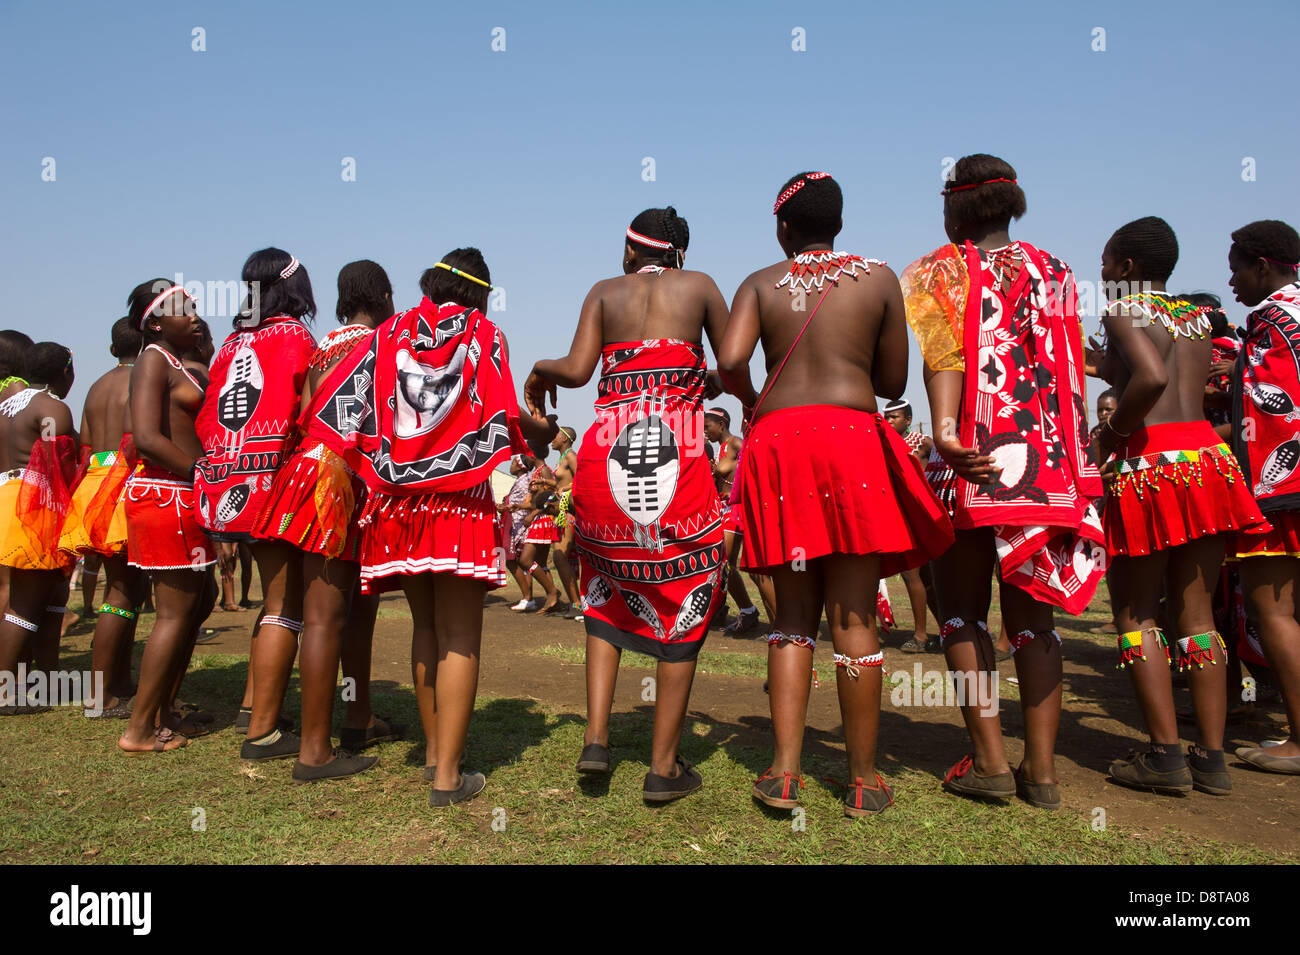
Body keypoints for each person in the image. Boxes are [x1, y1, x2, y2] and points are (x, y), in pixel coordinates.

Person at [720, 172, 953, 817]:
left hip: (782, 442)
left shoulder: (760, 282)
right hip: (851, 438)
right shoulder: (878, 279)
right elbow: (892, 378)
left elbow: (733, 361)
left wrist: (750, 399)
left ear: (784, 229)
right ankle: (863, 779)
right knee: (855, 616)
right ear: (839, 224)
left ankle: (784, 772)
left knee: (792, 617)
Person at [307, 247, 550, 806]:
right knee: (460, 636)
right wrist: (537, 440)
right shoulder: (485, 335)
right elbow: (502, 418)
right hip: (458, 504)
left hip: (395, 507)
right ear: (479, 293)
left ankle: (436, 756)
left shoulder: (387, 335)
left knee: (425, 629)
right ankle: (447, 778)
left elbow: (346, 411)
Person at [901, 154, 1106, 810]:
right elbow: (1066, 371)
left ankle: (989, 761)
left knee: (960, 609)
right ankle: (1040, 773)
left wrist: (947, 431)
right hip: (1044, 467)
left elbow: (944, 356)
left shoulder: (940, 267)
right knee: (1033, 619)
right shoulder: (1057, 271)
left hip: (974, 460)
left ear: (957, 206)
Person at [527, 207, 729, 803]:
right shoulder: (700, 287)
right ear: (678, 254)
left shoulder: (603, 292)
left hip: (604, 457)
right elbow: (736, 361)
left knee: (601, 590)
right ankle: (663, 768)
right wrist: (710, 381)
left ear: (628, 250)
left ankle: (595, 740)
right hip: (679, 457)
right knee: (687, 590)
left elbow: (576, 369)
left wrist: (539, 370)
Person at [1092, 216, 1268, 795]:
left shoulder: (1126, 312)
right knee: (1196, 617)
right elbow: (1166, 376)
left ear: (1129, 269)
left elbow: (1149, 378)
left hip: (1149, 468)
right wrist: (1101, 364)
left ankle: (1164, 756)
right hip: (1208, 464)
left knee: (1138, 615)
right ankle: (1210, 760)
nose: (1102, 272)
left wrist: (1112, 435)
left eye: (1107, 263)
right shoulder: (1194, 316)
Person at [251, 259, 401, 781]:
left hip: (309, 476)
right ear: (381, 294)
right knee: (325, 618)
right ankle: (315, 751)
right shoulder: (383, 344)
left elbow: (308, 408)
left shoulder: (325, 347)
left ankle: (357, 717)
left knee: (358, 611)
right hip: (336, 484)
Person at [194, 248, 317, 759]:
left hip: (225, 482)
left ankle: (253, 705)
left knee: (270, 604)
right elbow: (308, 412)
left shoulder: (229, 343)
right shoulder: (297, 338)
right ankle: (263, 732)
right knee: (284, 607)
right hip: (273, 485)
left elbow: (209, 416)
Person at [115, 279, 216, 752]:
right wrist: (203, 473)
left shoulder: (181, 362)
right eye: (182, 309)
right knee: (175, 614)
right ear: (155, 322)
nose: (194, 314)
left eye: (195, 306)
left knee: (201, 599)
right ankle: (138, 729)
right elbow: (147, 437)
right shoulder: (154, 359)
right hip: (167, 493)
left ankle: (164, 711)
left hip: (182, 493)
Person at [1223, 219, 1300, 775]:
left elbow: (1271, 411)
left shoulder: (1272, 320)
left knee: (1273, 612)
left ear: (1265, 268)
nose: (1233, 283)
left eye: (1237, 270)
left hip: (1283, 492)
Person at [60, 317, 146, 716]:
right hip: (125, 482)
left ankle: (121, 681)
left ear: (113, 349)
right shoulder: (143, 380)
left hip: (95, 481)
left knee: (126, 587)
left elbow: (86, 444)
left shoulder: (95, 386)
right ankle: (101, 694)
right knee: (123, 590)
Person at [0, 343, 80, 713]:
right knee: (25, 604)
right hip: (34, 503)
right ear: (65, 372)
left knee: (46, 597)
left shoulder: (7, 406)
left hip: (7, 497)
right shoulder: (51, 408)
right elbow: (62, 468)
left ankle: (46, 681)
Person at [881, 399, 939, 654]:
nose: (890, 421)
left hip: (917, 516)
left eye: (894, 417)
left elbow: (939, 471)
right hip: (897, 515)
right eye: (887, 417)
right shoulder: (882, 444)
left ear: (907, 419)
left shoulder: (923, 443)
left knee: (914, 574)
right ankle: (948, 629)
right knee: (923, 577)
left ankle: (921, 635)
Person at [704, 407, 765, 635]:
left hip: (736, 509)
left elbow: (757, 463)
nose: (704, 431)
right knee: (722, 564)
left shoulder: (736, 443)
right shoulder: (718, 450)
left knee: (725, 563)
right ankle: (739, 610)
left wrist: (741, 491)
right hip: (723, 510)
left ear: (721, 425)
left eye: (707, 426)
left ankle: (748, 611)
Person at [515, 449, 565, 614]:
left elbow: (553, 495)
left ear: (532, 454)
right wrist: (516, 507)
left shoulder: (544, 470)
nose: (525, 458)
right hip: (538, 518)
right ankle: (554, 600)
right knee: (541, 563)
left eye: (526, 453)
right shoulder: (537, 472)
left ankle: (552, 592)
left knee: (525, 560)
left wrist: (535, 513)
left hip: (543, 519)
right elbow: (536, 502)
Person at [550, 426, 584, 619]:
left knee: (559, 556)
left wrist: (566, 490)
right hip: (563, 510)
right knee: (562, 557)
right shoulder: (562, 458)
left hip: (570, 512)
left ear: (564, 438)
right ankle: (576, 604)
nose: (552, 439)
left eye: (556, 435)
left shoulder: (571, 456)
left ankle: (578, 605)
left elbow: (582, 478)